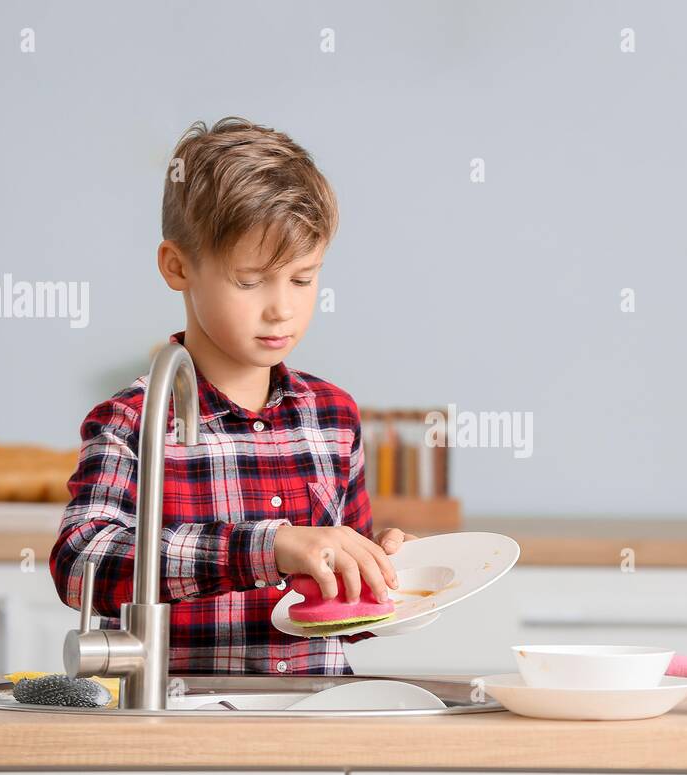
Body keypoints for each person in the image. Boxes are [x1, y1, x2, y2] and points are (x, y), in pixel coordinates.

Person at [49, 117, 415, 675]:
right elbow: (82, 566)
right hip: (184, 731)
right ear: (178, 267)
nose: (281, 309)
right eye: (250, 281)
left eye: (302, 279)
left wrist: (378, 572)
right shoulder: (133, 420)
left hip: (315, 725)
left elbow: (350, 620)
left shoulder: (333, 416)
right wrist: (268, 547)